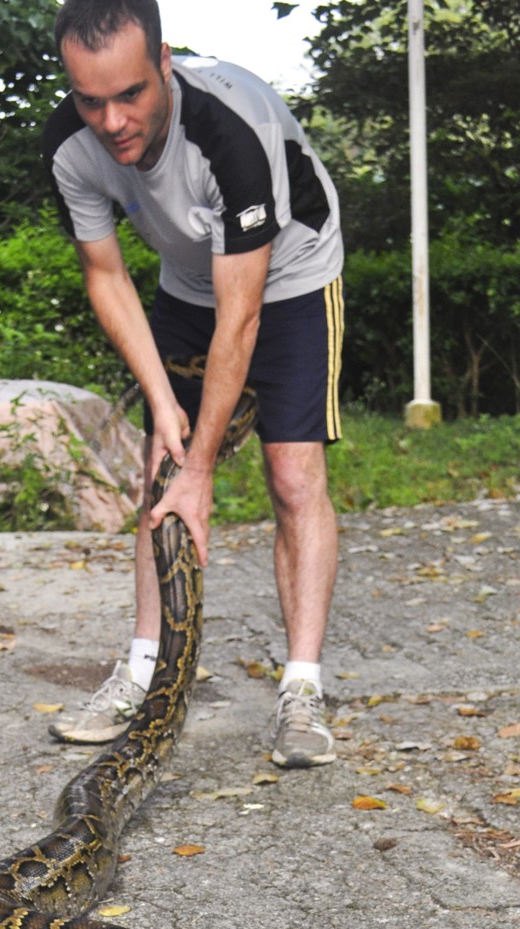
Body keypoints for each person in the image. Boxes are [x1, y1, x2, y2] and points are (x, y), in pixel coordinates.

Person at [43, 0, 344, 768]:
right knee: (160, 467)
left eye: (131, 94)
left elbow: (241, 322)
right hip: (187, 282)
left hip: (295, 274)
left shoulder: (228, 132)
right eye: (90, 99)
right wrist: (164, 407)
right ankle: (141, 673)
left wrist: (206, 465)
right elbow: (106, 276)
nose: (111, 121)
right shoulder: (70, 147)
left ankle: (303, 690)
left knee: (292, 474)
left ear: (165, 61)